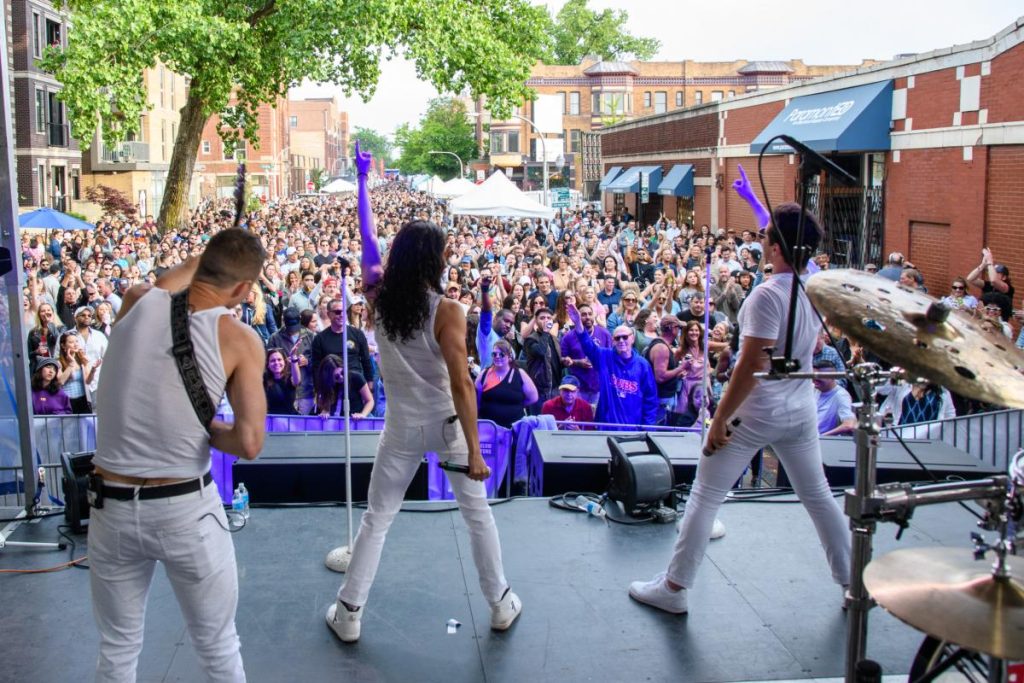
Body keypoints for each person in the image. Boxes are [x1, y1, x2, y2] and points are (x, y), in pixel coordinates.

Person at [327, 143, 521, 644]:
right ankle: (500, 603)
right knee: (477, 516)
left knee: (377, 520)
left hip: (400, 428)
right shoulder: (448, 311)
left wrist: (364, 180)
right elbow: (460, 381)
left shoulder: (377, 294)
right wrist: (477, 450)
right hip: (448, 426)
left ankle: (348, 612)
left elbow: (367, 235)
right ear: (433, 260)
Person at [628, 202, 851, 615]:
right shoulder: (815, 288)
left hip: (757, 409)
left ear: (778, 249)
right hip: (799, 408)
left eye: (767, 236)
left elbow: (752, 366)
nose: (760, 240)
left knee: (705, 494)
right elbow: (810, 345)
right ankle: (853, 583)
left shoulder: (766, 295)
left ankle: (674, 587)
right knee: (819, 495)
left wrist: (720, 419)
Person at [89, 228, 268, 681]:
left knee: (118, 647)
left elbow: (165, 285)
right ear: (245, 290)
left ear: (199, 264)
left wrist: (205, 252)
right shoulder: (240, 338)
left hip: (109, 505)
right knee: (218, 646)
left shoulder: (134, 301)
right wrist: (207, 429)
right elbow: (248, 442)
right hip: (184, 509)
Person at [566, 306, 659, 428]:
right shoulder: (604, 356)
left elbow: (650, 399)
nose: (621, 341)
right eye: (617, 338)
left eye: (624, 337)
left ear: (632, 338)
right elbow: (588, 346)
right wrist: (578, 324)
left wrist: (647, 428)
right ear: (613, 341)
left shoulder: (643, 365)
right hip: (606, 426)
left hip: (633, 429)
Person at [475, 339, 538, 428]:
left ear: (509, 357)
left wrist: (516, 405)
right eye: (494, 354)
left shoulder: (520, 374)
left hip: (513, 429)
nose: (497, 357)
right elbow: (476, 401)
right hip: (488, 429)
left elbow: (533, 398)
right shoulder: (484, 374)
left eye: (501, 354)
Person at [558, 302, 612, 407]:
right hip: (578, 388)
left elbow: (610, 358)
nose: (587, 317)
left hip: (599, 387)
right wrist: (576, 362)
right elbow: (561, 359)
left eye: (589, 314)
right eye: (583, 314)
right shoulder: (568, 337)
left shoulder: (604, 334)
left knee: (596, 419)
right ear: (577, 316)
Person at [644, 315, 684, 424]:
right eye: (679, 328)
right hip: (662, 398)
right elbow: (660, 377)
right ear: (672, 328)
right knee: (660, 432)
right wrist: (681, 368)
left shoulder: (664, 346)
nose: (680, 331)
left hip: (665, 397)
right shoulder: (661, 348)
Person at [313, 353, 374, 418]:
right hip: (336, 422)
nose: (341, 377)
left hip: (355, 420)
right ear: (329, 378)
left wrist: (363, 414)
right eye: (337, 376)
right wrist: (325, 411)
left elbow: (370, 401)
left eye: (342, 372)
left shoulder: (356, 377)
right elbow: (324, 406)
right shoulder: (326, 385)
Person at [523, 307, 562, 405]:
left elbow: (555, 361)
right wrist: (545, 332)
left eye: (549, 318)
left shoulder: (554, 338)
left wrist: (565, 361)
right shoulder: (531, 339)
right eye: (542, 318)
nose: (546, 320)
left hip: (555, 387)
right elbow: (541, 351)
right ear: (536, 321)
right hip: (540, 389)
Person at [813, 359, 856, 436]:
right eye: (813, 375)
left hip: (822, 441)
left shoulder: (841, 395)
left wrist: (822, 437)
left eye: (819, 376)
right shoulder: (813, 388)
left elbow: (849, 425)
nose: (815, 380)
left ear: (832, 377)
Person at [264, 347, 302, 415]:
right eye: (273, 360)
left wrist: (293, 357)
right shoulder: (263, 379)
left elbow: (297, 381)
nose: (276, 363)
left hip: (290, 420)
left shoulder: (290, 377)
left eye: (279, 360)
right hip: (271, 420)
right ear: (268, 364)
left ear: (284, 362)